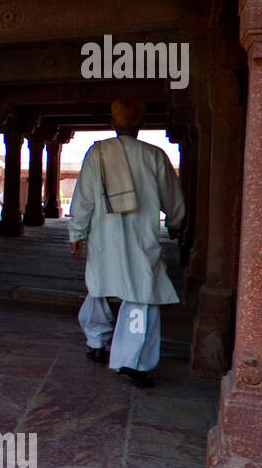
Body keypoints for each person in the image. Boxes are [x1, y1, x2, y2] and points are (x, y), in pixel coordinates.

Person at [68, 98, 186, 387]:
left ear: (113, 124)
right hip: (140, 237)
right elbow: (173, 197)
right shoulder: (154, 155)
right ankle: (132, 361)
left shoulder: (96, 153)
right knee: (140, 296)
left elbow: (82, 199)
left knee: (98, 288)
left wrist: (77, 233)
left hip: (103, 238)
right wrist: (175, 222)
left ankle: (96, 343)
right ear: (141, 126)